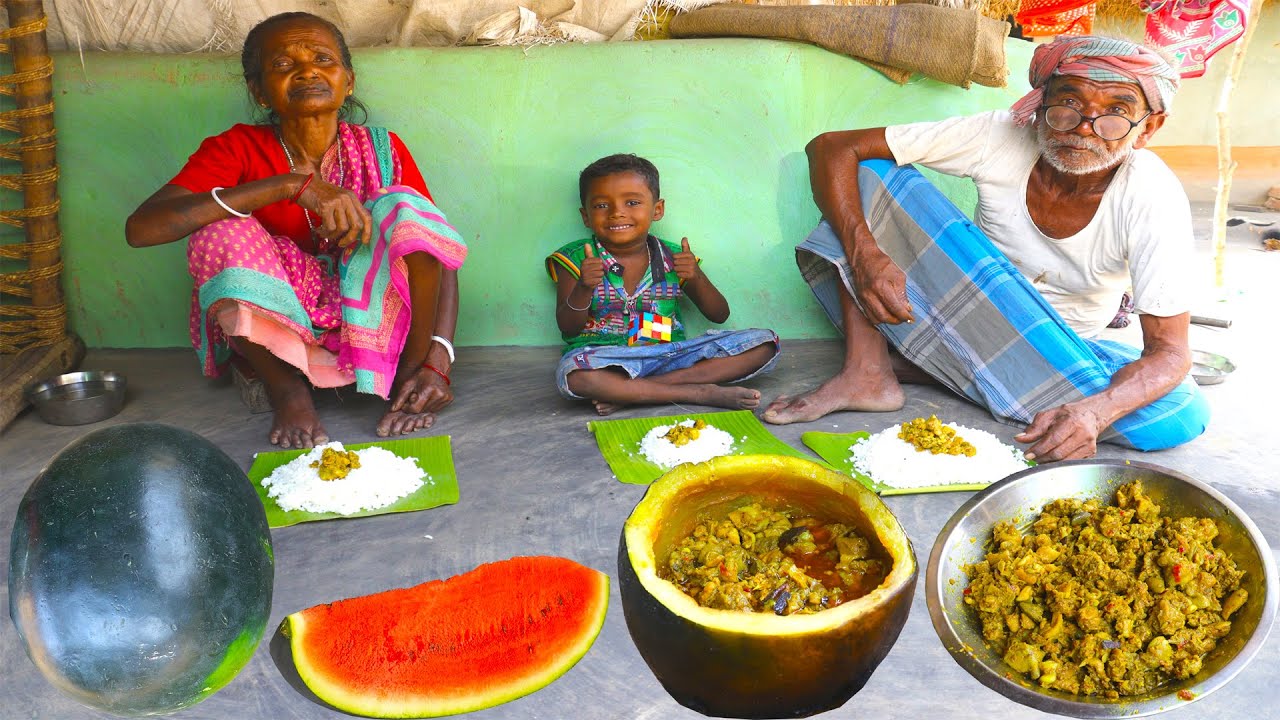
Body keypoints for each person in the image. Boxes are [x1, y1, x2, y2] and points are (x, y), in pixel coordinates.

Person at [763, 36, 1209, 462]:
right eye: (1069, 103)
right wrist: (866, 257)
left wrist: (1094, 412)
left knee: (1176, 415)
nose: (1085, 128)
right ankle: (867, 371)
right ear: (1039, 107)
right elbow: (831, 147)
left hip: (1056, 349)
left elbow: (1170, 352)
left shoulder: (1151, 194)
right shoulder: (999, 135)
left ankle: (929, 365)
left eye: (1116, 112)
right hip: (961, 309)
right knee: (870, 172)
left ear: (1148, 128)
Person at [125, 12, 467, 449]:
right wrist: (290, 187)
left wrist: (438, 361)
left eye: (323, 59)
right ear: (259, 92)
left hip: (371, 324)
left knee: (404, 208)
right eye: (283, 65)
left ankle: (407, 377)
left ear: (348, 81)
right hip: (282, 324)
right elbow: (143, 229)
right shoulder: (237, 148)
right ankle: (288, 390)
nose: (307, 71)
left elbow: (439, 253)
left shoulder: (382, 149)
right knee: (217, 232)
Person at [546, 154, 780, 415]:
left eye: (632, 202)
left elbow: (719, 314)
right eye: (601, 205)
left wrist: (696, 277)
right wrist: (584, 287)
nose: (616, 212)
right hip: (606, 359)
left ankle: (634, 392)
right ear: (585, 216)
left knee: (764, 343)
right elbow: (568, 328)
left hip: (669, 355)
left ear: (657, 210)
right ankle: (696, 392)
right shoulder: (576, 258)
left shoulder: (673, 256)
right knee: (576, 375)